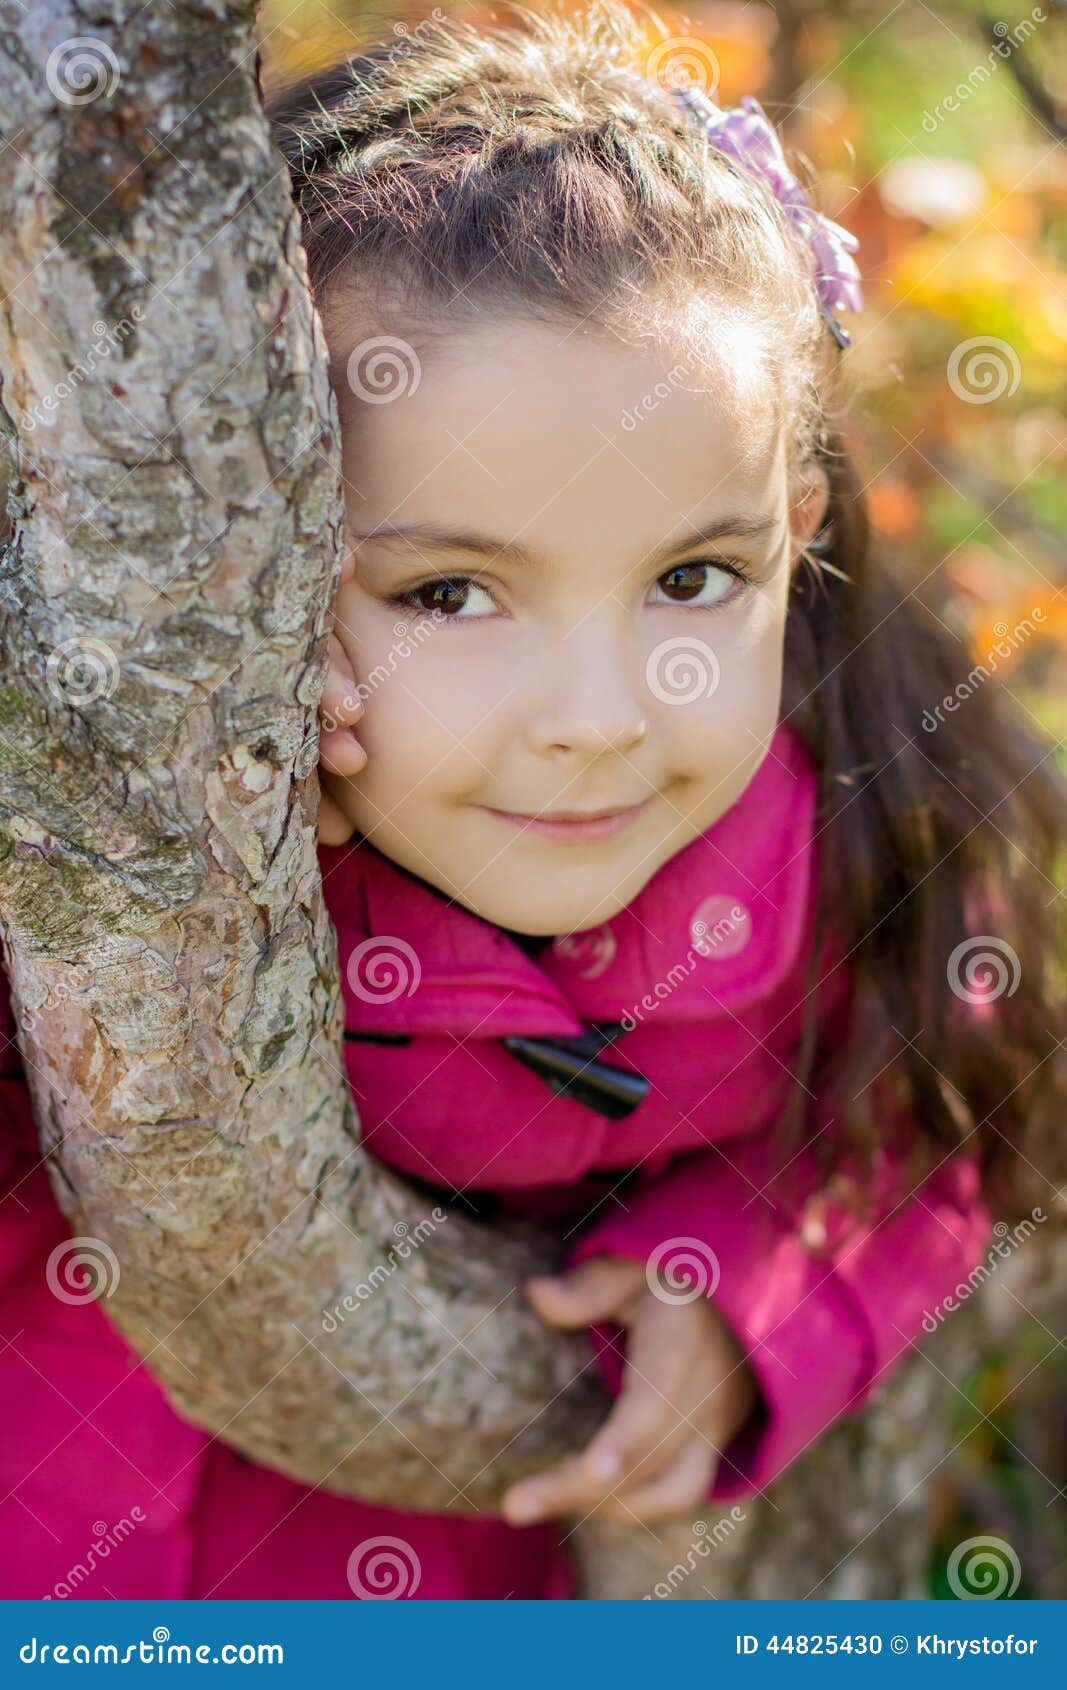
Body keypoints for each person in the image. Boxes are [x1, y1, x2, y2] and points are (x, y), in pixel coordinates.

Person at [0, 2, 1062, 1601]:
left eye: (694, 578)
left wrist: (745, 1294)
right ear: (253, 554)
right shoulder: (105, 824)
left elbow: (935, 1128)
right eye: (445, 596)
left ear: (799, 527)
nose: (597, 719)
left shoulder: (839, 846)